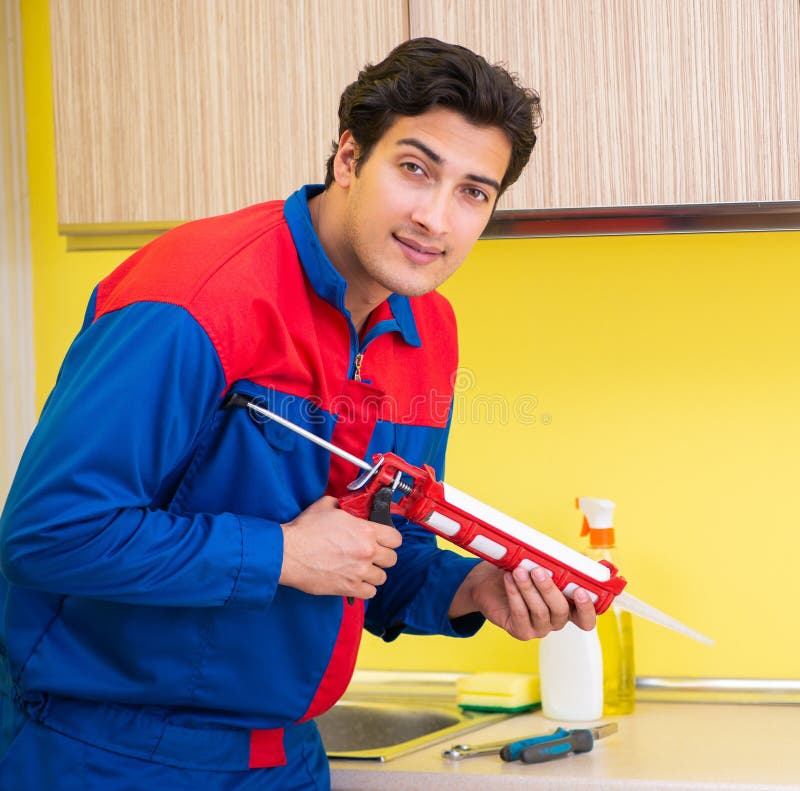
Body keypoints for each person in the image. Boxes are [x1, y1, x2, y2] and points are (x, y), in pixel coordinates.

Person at [0, 37, 596, 790]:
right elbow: (51, 532)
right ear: (349, 157)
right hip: (100, 754)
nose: (435, 217)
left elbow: (369, 551)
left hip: (285, 758)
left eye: (475, 191)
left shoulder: (426, 331)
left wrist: (465, 588)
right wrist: (282, 553)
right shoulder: (192, 300)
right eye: (415, 168)